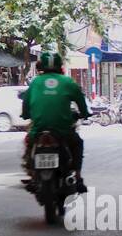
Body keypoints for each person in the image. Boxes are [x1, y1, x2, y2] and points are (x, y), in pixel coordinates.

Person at [20, 52, 90, 190]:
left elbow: (26, 104)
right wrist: (85, 113)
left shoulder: (35, 83)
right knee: (77, 144)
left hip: (39, 129)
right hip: (63, 129)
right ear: (60, 66)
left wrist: (26, 115)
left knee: (29, 143)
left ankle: (33, 175)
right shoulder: (68, 82)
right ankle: (78, 176)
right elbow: (81, 101)